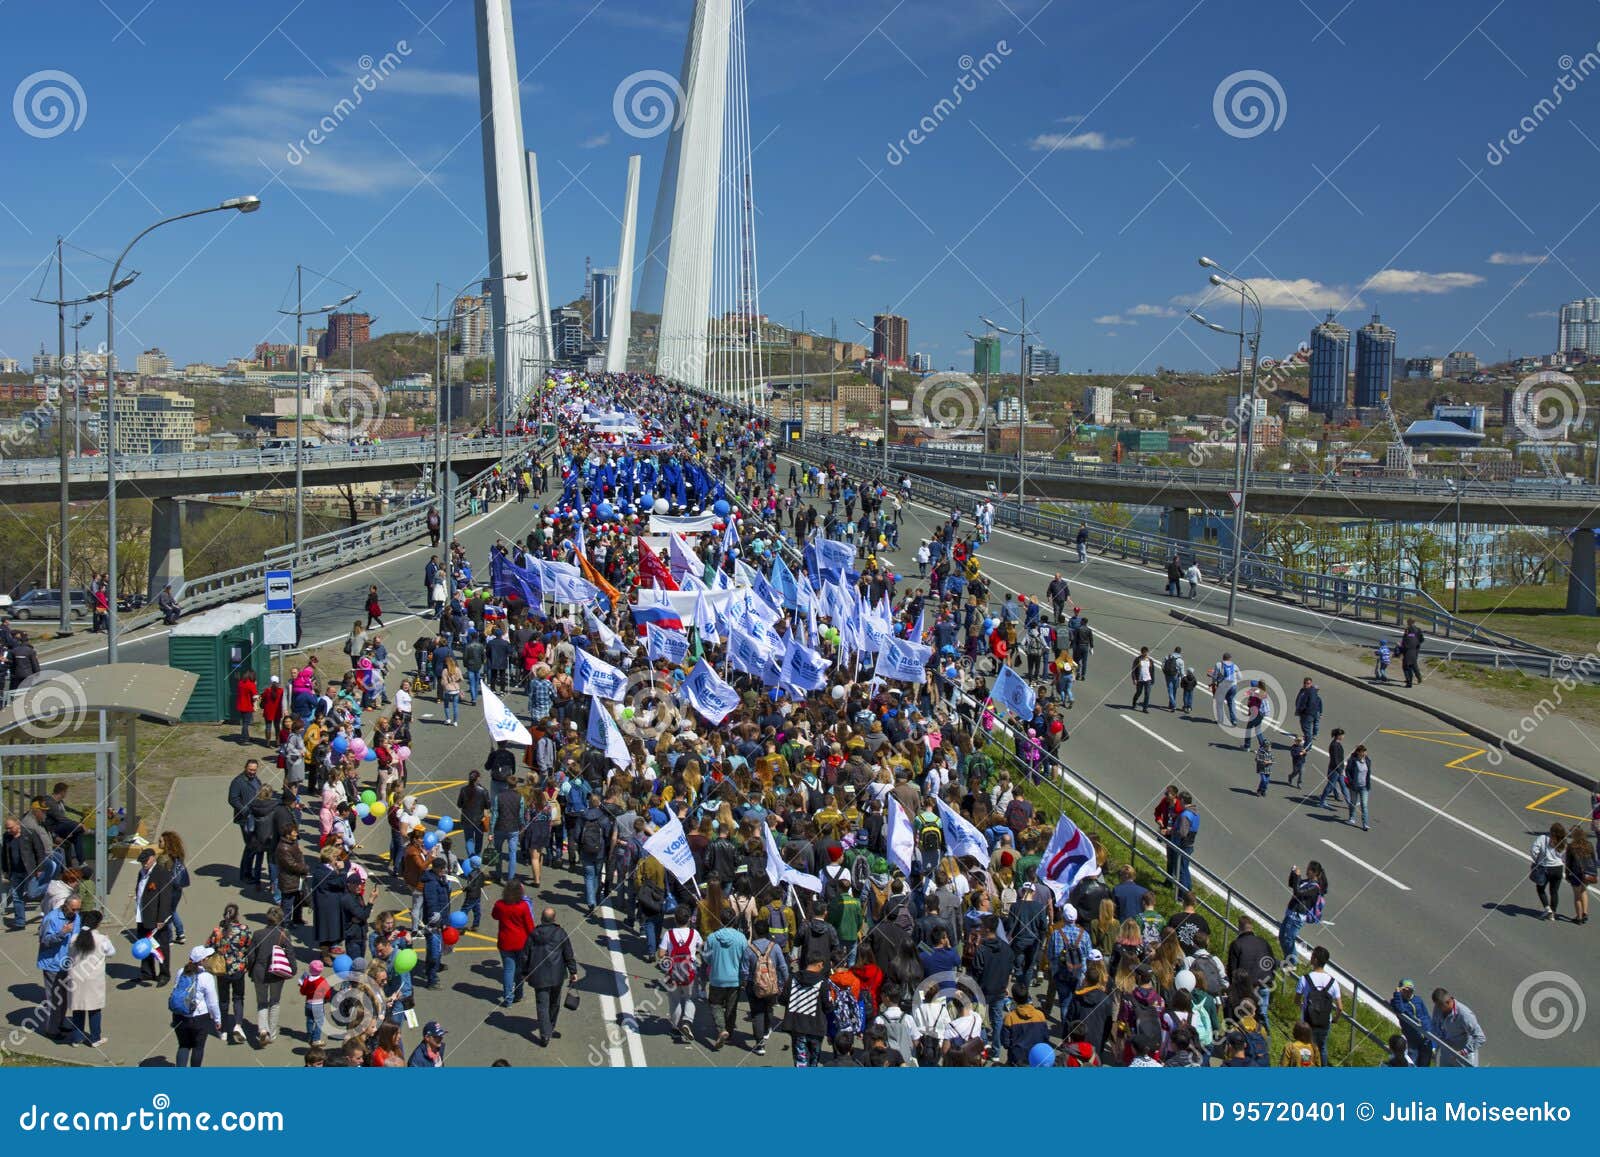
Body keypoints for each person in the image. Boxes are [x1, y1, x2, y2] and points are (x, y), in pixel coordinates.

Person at [525, 907, 578, 1047]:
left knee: (542, 1005)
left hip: (538, 975)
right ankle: (550, 1026)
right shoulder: (560, 933)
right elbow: (568, 953)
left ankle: (545, 1034)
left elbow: (526, 955)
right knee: (554, 1003)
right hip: (557, 975)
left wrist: (525, 973)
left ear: (542, 918)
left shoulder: (534, 933)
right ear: (554, 919)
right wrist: (573, 971)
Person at [204, 902, 253, 1045]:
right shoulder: (244, 930)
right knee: (238, 998)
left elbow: (208, 947)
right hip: (238, 969)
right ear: (237, 915)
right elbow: (249, 947)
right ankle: (238, 1024)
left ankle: (224, 1030)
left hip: (221, 970)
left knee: (223, 1000)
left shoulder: (218, 931)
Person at [702, 903, 749, 1049]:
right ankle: (729, 1032)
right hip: (734, 979)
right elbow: (745, 960)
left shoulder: (712, 938)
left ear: (721, 920)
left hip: (717, 977)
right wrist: (744, 977)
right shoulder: (741, 938)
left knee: (715, 1004)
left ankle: (721, 1029)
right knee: (731, 1007)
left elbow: (706, 958)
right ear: (734, 921)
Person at [245, 907, 293, 1046]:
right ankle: (272, 1033)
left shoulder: (258, 934)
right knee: (275, 1002)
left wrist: (251, 970)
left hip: (260, 972)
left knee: (262, 1002)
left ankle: (262, 1030)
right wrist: (292, 969)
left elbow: (251, 955)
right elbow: (290, 953)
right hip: (277, 972)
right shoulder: (284, 934)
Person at [65, 909, 113, 1047]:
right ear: (97, 924)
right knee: (94, 1009)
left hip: (76, 977)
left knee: (78, 1008)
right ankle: (95, 1038)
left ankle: (76, 1038)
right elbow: (111, 953)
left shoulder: (74, 938)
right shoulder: (102, 939)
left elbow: (70, 955)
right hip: (94, 979)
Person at [36, 894, 80, 1041]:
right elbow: (44, 941)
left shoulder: (76, 918)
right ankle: (51, 1030)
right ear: (66, 906)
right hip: (53, 964)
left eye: (78, 909)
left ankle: (59, 1023)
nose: (76, 912)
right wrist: (62, 933)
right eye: (73, 909)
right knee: (54, 998)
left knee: (64, 998)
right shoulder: (51, 918)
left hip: (68, 963)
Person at [171, 945, 223, 1067]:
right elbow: (212, 1002)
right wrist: (217, 1019)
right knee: (198, 1047)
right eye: (207, 957)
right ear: (203, 961)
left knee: (183, 1046)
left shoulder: (180, 972)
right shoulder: (207, 977)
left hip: (179, 1016)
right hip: (199, 1018)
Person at [659, 908, 704, 1043]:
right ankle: (687, 1021)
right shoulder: (694, 933)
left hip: (672, 973)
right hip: (690, 971)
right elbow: (702, 948)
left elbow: (661, 954)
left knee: (674, 1001)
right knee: (691, 998)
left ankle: (674, 1028)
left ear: (675, 919)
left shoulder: (669, 934)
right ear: (689, 919)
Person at [1295, 944, 1343, 1065]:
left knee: (1306, 1047)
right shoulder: (1333, 982)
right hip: (1325, 1022)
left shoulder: (1304, 979)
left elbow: (1296, 1000)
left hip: (1307, 1021)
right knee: (1322, 1048)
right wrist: (1335, 1019)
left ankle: (1307, 1067)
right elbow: (1340, 1008)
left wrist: (1302, 1006)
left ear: (1315, 959)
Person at [492, 880, 535, 1007]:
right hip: (521, 942)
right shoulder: (523, 906)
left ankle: (508, 998)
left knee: (508, 970)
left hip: (505, 942)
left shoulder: (500, 904)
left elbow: (495, 916)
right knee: (519, 970)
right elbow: (530, 926)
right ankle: (518, 994)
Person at [782, 956, 831, 1067]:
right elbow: (828, 1007)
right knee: (814, 1060)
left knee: (800, 1059)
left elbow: (782, 999)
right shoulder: (823, 982)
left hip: (796, 1025)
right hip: (816, 1027)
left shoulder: (792, 978)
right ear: (819, 964)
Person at [1431, 988, 1486, 1067]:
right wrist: (1436, 1045)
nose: (1438, 1009)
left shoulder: (1464, 1015)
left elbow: (1480, 1037)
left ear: (1448, 1002)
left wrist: (1463, 1052)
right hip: (1447, 1052)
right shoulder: (1438, 1007)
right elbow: (1435, 1026)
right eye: (1437, 1006)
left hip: (1463, 1056)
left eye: (1440, 1006)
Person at [1390, 978, 1434, 1067]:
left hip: (1425, 1038)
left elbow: (1427, 1016)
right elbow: (1400, 1010)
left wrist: (1430, 1034)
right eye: (1405, 990)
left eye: (1410, 990)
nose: (1408, 993)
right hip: (1412, 1040)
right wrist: (1397, 994)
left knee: (1425, 1064)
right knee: (1412, 1063)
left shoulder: (1418, 1000)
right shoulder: (1397, 1002)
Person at [1530, 822, 1566, 920]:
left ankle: (1547, 907)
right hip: (1558, 868)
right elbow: (1564, 858)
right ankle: (1553, 914)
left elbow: (1534, 850)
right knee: (1554, 891)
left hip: (1545, 867)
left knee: (1540, 888)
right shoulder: (1563, 842)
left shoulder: (1543, 838)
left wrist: (1536, 859)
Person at [1564, 827, 1595, 924]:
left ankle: (1579, 917)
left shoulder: (1571, 846)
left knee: (1577, 896)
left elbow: (1568, 862)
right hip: (1587, 873)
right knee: (1584, 891)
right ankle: (1585, 913)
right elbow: (1593, 859)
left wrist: (1567, 874)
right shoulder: (1589, 845)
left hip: (1575, 873)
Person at [1344, 744, 1373, 830]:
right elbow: (1347, 771)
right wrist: (1351, 782)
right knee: (1353, 803)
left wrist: (1368, 784)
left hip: (1364, 787)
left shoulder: (1367, 761)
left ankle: (1365, 824)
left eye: (1365, 752)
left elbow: (1368, 773)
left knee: (1364, 805)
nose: (1364, 753)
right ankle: (1352, 818)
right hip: (1354, 787)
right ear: (1358, 752)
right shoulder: (1352, 761)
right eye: (1362, 752)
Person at [1400, 619, 1425, 687]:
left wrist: (1401, 647)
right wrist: (1417, 644)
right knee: (1414, 664)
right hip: (1415, 649)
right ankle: (1419, 677)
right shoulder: (1418, 629)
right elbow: (1422, 639)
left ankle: (1409, 679)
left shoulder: (1408, 630)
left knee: (1408, 665)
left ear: (1409, 623)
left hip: (1408, 649)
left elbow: (1405, 639)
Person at [1129, 647, 1154, 713]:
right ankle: (1134, 701)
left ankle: (1145, 708)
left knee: (1147, 694)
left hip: (1148, 679)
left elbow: (1152, 671)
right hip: (1140, 680)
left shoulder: (1150, 661)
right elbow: (1133, 670)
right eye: (1144, 653)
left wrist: (1153, 680)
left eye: (1146, 653)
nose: (1145, 654)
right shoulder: (1137, 660)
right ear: (1142, 653)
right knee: (1139, 692)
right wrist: (1134, 679)